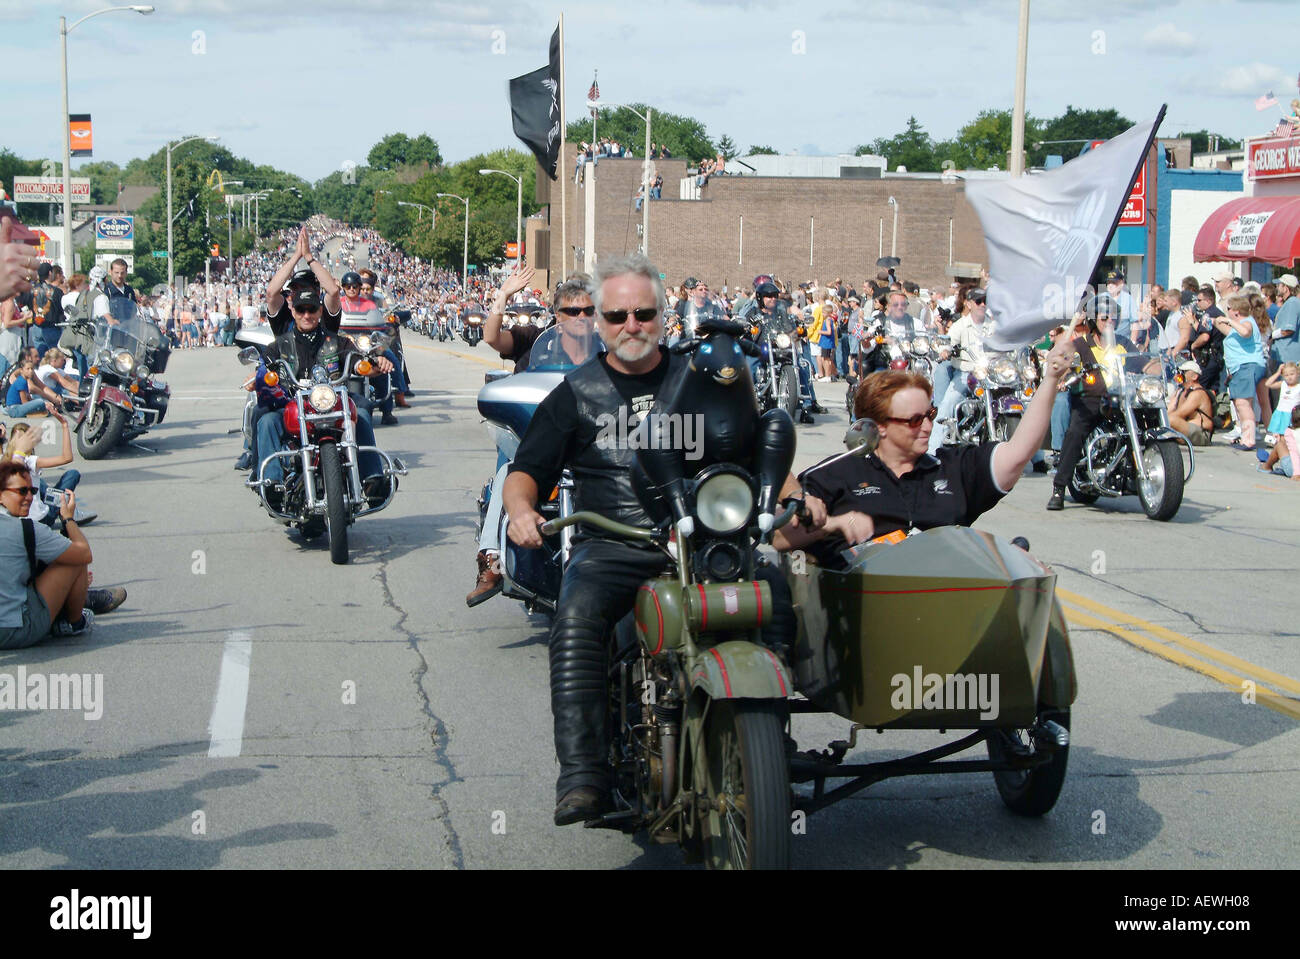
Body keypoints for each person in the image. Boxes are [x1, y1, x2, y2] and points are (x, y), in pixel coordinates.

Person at [501, 253, 824, 826]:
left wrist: (798, 495)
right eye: (618, 314)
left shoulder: (702, 380)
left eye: (644, 313)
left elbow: (756, 447)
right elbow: (525, 472)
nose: (632, 325)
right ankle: (584, 773)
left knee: (774, 587)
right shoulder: (575, 394)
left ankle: (769, 736)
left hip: (706, 539)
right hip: (614, 542)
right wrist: (522, 510)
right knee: (575, 618)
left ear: (663, 315)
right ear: (598, 321)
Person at [777, 336, 1070, 568]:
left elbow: (1018, 453)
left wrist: (1051, 380)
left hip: (944, 608)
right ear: (878, 426)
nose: (928, 426)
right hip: (862, 614)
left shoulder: (953, 467)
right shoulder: (834, 475)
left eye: (929, 414)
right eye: (915, 420)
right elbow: (779, 537)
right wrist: (832, 523)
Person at [468, 270, 597, 606]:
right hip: (530, 434)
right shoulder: (533, 339)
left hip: (586, 440)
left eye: (588, 311)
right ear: (558, 314)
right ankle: (492, 559)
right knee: (509, 470)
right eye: (572, 311)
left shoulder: (606, 351)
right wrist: (503, 296)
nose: (580, 318)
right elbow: (492, 337)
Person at [253, 285, 394, 509]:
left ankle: (371, 478)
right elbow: (263, 369)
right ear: (294, 312)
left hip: (332, 403)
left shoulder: (337, 342)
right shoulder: (279, 346)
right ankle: (272, 482)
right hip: (293, 403)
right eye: (301, 310)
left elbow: (357, 362)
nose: (307, 315)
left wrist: (375, 365)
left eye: (312, 309)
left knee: (362, 412)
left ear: (320, 311)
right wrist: (259, 377)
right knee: (267, 420)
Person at [0, 460, 125, 647]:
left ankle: (79, 600)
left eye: (33, 491)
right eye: (21, 491)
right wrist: (68, 519)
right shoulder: (26, 529)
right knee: (73, 560)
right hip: (17, 631)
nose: (29, 498)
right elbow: (83, 554)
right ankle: (74, 623)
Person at [1046, 294, 1144, 510]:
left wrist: (1159, 370)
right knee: (1076, 432)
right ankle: (1059, 488)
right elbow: (1061, 358)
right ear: (1092, 321)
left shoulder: (1124, 343)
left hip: (1121, 399)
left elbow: (1144, 363)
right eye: (1105, 318)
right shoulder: (1081, 345)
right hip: (1090, 399)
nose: (1110, 322)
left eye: (1113, 318)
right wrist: (1064, 376)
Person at [4, 414, 96, 526]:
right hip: (42, 519)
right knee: (72, 474)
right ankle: (67, 509)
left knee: (40, 482)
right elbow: (67, 458)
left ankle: (64, 506)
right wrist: (64, 426)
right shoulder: (30, 461)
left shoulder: (4, 461)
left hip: (15, 516)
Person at [1215, 292, 1266, 451]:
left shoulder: (1246, 322)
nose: (1227, 311)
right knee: (1242, 404)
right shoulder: (1239, 325)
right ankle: (1248, 435)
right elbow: (1224, 328)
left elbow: (1245, 332)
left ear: (1235, 311)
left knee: (1243, 404)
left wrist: (1230, 320)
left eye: (1228, 309)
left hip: (1246, 366)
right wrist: (1217, 321)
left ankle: (1248, 439)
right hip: (1243, 367)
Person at [1167, 359, 1214, 447]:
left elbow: (1178, 415)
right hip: (1188, 427)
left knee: (1170, 420)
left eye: (1183, 372)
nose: (1179, 375)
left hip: (1202, 433)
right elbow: (1170, 410)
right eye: (1179, 372)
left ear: (1194, 376)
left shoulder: (1198, 394)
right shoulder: (1181, 391)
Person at [1263, 362, 1299, 445]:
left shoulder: (1298, 387)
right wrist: (1278, 372)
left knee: (1289, 436)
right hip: (1280, 413)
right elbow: (1268, 384)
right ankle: (1280, 449)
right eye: (1286, 375)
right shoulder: (1283, 384)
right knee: (1278, 435)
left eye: (1292, 374)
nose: (1289, 377)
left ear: (1297, 374)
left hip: (1291, 414)